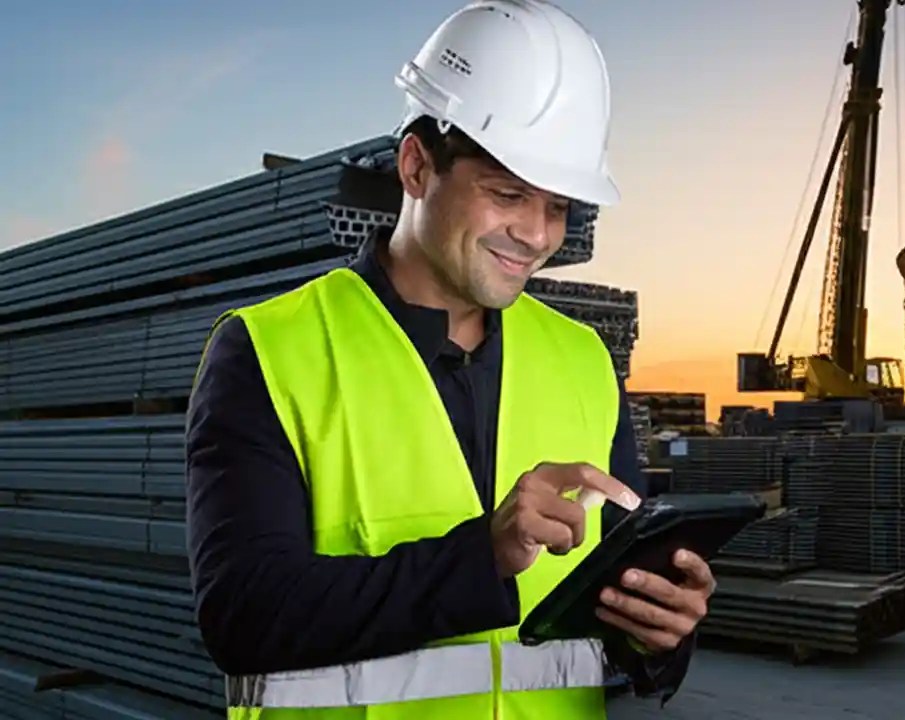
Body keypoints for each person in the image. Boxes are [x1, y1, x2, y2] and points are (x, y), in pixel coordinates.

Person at [183, 1, 714, 717]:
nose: (535, 234)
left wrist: (659, 631)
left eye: (558, 206)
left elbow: (608, 606)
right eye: (506, 193)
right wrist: (480, 559)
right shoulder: (270, 351)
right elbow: (243, 616)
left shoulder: (583, 359)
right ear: (415, 166)